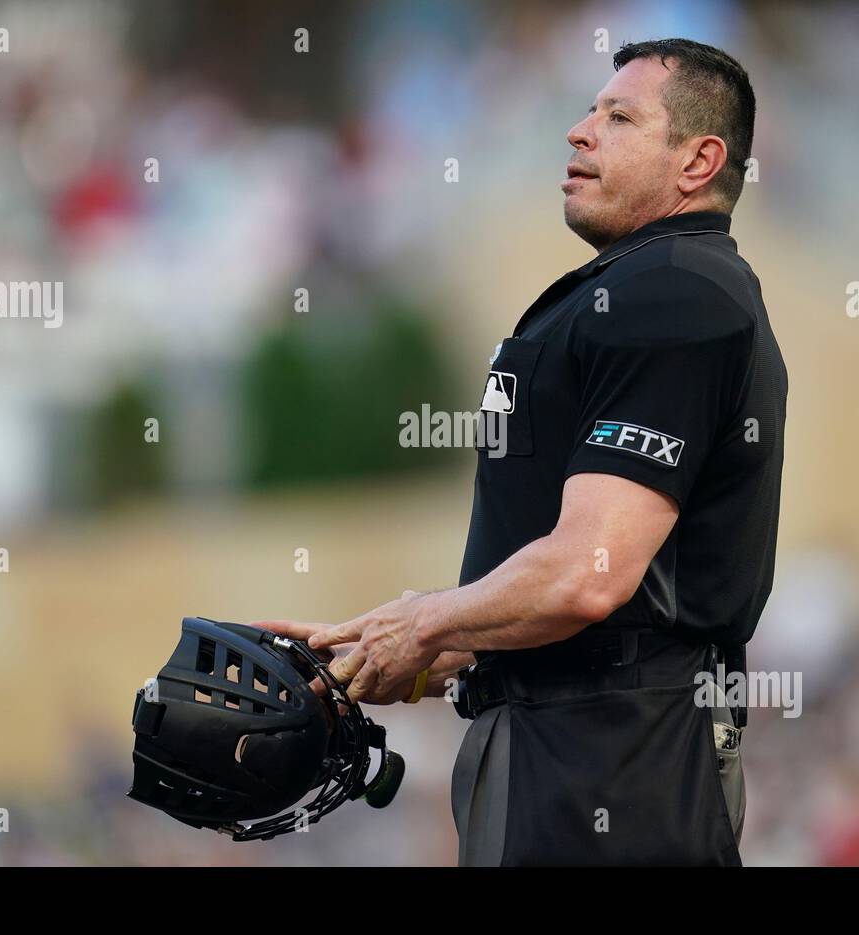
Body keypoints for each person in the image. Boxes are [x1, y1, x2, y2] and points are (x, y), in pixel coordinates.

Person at [257, 37, 786, 866]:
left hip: (616, 755)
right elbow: (603, 587)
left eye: (618, 117)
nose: (578, 132)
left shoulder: (676, 289)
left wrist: (421, 621)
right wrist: (412, 650)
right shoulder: (636, 287)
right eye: (587, 110)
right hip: (573, 738)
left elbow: (592, 573)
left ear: (699, 160)